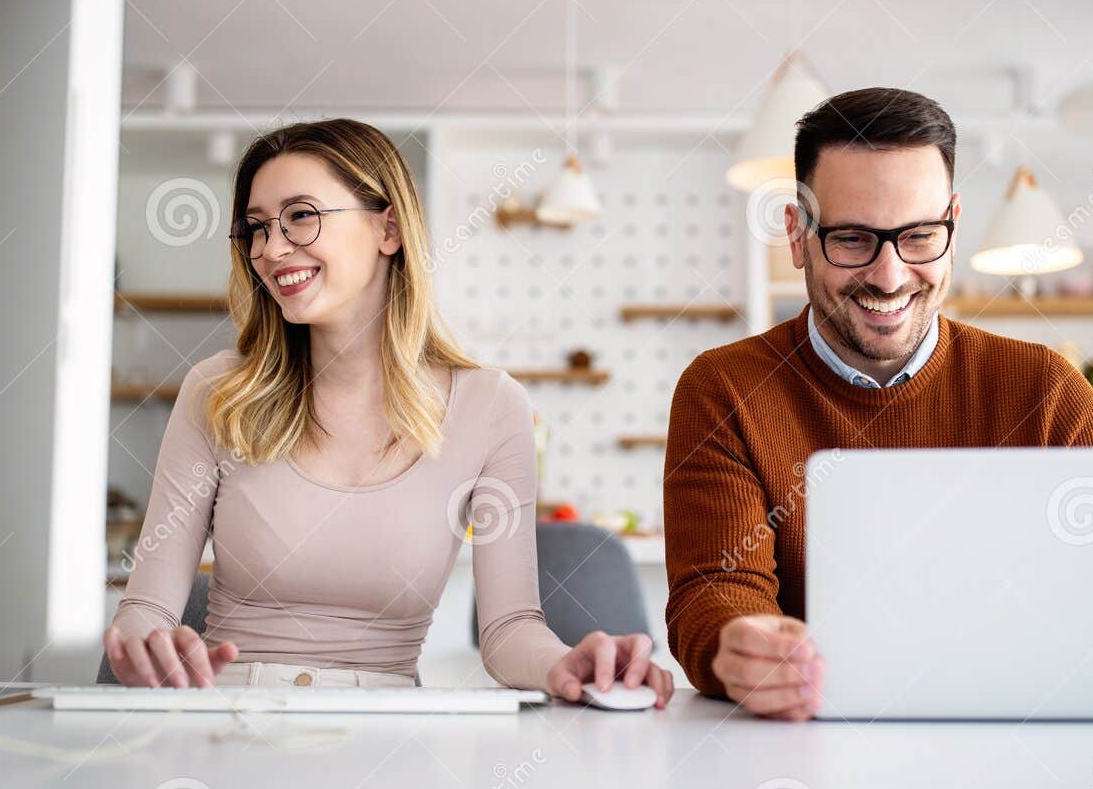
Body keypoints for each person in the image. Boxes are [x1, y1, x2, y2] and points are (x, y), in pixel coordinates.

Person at [104, 118, 673, 706]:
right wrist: (146, 648)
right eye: (255, 228)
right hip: (227, 715)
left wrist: (563, 664)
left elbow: (508, 630)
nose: (270, 250)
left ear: (390, 229)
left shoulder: (491, 408)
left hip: (388, 726)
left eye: (301, 215)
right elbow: (145, 607)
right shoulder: (218, 392)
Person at [663, 87, 1093, 720]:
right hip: (805, 752)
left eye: (920, 235)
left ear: (953, 225)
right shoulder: (725, 389)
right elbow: (716, 592)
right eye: (852, 239)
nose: (890, 275)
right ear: (797, 234)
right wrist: (738, 647)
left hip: (1017, 745)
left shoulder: (1046, 391)